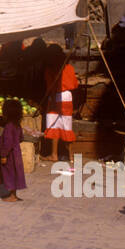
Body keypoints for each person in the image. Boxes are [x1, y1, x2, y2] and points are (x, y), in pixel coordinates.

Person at [41, 43, 77, 171]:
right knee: (67, 125)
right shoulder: (69, 68)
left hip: (55, 96)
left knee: (53, 125)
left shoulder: (49, 69)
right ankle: (70, 156)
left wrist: (50, 99)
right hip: (68, 97)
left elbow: (50, 87)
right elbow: (74, 84)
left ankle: (54, 154)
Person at [0, 98, 27, 202]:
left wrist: (4, 155)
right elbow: (21, 138)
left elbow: (7, 143)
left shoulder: (8, 127)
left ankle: (12, 196)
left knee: (9, 174)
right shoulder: (17, 126)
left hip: (9, 156)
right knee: (14, 173)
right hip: (16, 154)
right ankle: (12, 193)